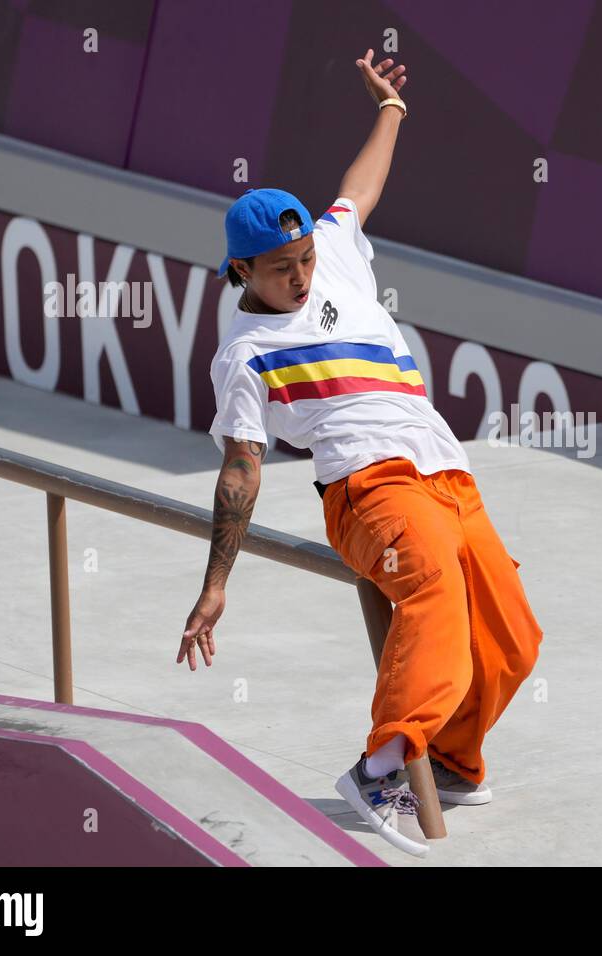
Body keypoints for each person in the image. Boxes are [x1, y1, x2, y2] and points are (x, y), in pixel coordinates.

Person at [177, 50, 543, 858]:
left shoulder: (329, 247)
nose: (302, 277)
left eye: (305, 258)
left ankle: (448, 757)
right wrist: (215, 584)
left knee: (515, 637)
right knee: (435, 593)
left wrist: (391, 110)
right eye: (281, 271)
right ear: (242, 270)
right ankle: (381, 767)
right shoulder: (244, 353)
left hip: (447, 471)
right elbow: (241, 468)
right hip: (368, 489)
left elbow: (359, 189)